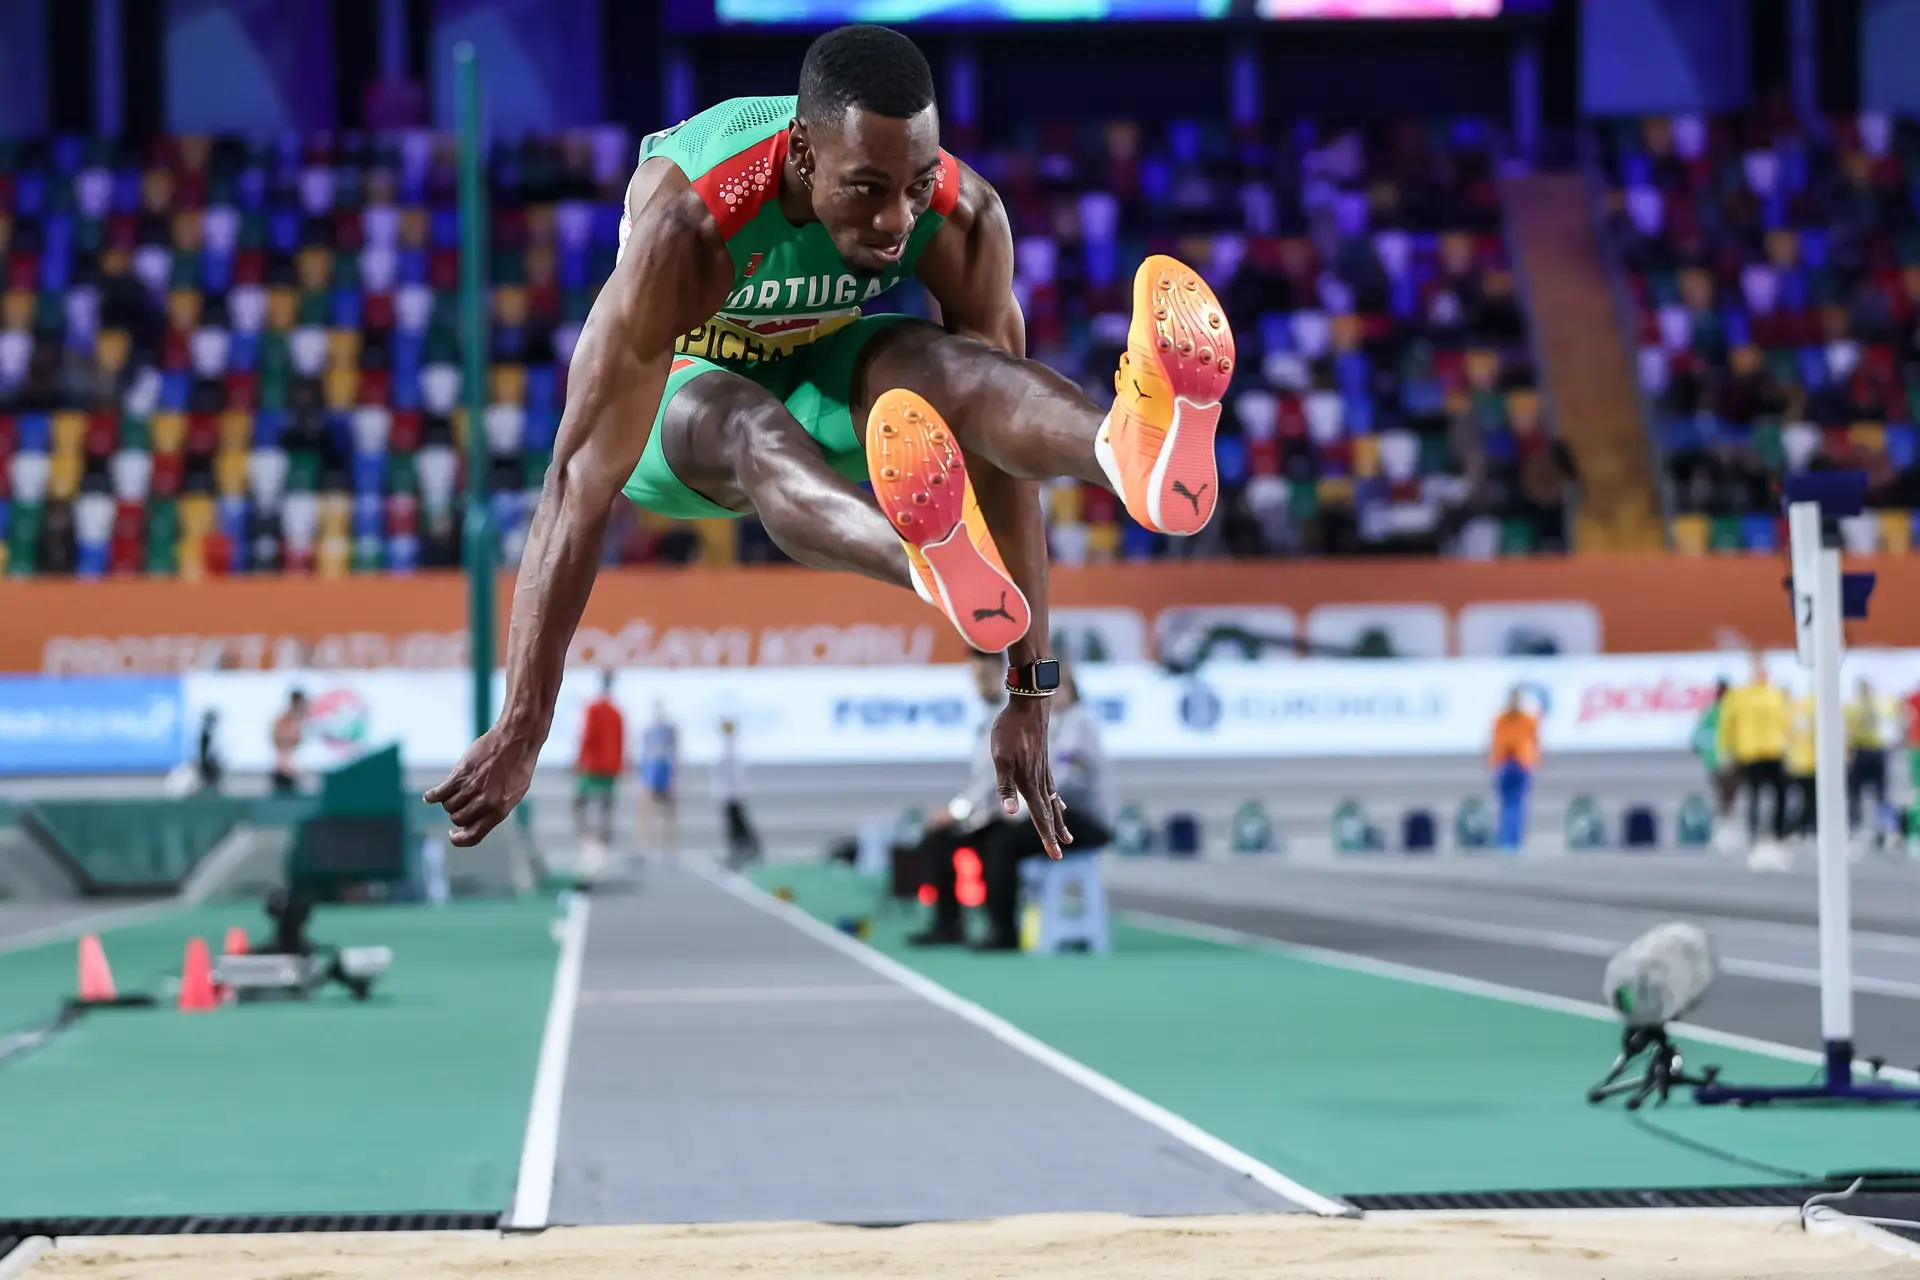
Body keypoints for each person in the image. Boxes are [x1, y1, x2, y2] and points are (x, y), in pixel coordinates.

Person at [426, 23, 1232, 853]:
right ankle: (917, 556)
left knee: (955, 368)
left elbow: (996, 457)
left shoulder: (962, 216)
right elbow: (575, 486)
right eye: (869, 188)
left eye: (917, 183)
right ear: (804, 159)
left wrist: (1031, 692)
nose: (896, 218)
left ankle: (1121, 447)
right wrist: (524, 723)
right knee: (749, 427)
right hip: (680, 406)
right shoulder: (691, 226)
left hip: (816, 364)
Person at [974, 665, 1114, 951]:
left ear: (1072, 690)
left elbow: (1064, 779)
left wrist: (1024, 812)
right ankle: (997, 924)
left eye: (1059, 688)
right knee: (992, 836)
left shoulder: (1080, 722)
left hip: (1083, 819)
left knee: (1003, 843)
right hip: (1055, 815)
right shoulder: (1046, 726)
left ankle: (1004, 932)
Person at [908, 648, 1020, 947]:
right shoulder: (988, 717)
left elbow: (995, 777)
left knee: (997, 846)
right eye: (975, 677)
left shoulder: (1016, 714)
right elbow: (981, 780)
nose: (979, 684)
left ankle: (1004, 930)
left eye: (984, 676)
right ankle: (948, 925)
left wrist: (958, 810)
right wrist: (959, 812)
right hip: (988, 814)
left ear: (1001, 672)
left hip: (1014, 815)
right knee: (937, 838)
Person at [1717, 655, 1789, 855]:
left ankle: (1777, 833)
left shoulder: (1774, 693)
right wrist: (1726, 749)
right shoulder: (1740, 695)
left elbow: (1785, 721)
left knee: (1780, 793)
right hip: (1751, 752)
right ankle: (1754, 833)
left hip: (1773, 751)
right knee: (1754, 794)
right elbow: (1727, 723)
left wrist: (1788, 746)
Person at [573, 672, 625, 853]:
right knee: (606, 804)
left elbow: (587, 736)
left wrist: (579, 760)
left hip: (592, 766)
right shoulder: (617, 713)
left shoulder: (593, 709)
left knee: (580, 802)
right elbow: (621, 742)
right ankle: (604, 839)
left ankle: (586, 836)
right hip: (610, 767)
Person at [1845, 676, 1893, 852]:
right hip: (1877, 751)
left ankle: (1855, 828)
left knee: (1855, 794)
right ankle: (1885, 828)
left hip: (1862, 751)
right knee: (1879, 794)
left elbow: (1849, 731)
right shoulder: (1880, 705)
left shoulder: (1853, 707)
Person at [1487, 687, 1539, 853]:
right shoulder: (1512, 719)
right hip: (1512, 763)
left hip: (1515, 764)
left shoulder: (1508, 719)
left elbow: (1533, 742)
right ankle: (1510, 840)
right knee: (1512, 804)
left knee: (1512, 804)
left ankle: (1510, 840)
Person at [1691, 679, 1737, 839]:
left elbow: (1697, 737)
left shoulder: (1716, 712)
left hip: (1721, 759)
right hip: (1725, 759)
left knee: (1725, 795)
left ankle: (1726, 827)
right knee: (1726, 795)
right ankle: (1726, 827)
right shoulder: (1718, 712)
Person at [715, 717, 763, 869]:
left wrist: (741, 793)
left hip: (734, 794)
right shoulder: (726, 747)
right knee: (733, 825)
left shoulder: (734, 747)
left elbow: (738, 773)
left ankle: (747, 850)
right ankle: (739, 851)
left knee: (738, 824)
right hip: (728, 794)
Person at [637, 701, 680, 859]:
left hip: (662, 769)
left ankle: (669, 847)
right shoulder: (650, 730)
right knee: (648, 810)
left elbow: (675, 752)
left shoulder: (668, 730)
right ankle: (645, 846)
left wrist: (674, 775)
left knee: (668, 811)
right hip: (653, 769)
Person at [1783, 682, 1816, 842]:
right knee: (1806, 800)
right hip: (1806, 762)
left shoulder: (1794, 710)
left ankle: (1801, 828)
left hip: (1801, 762)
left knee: (1803, 800)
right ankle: (1802, 828)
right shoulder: (1814, 709)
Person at [270, 690, 308, 796]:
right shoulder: (284, 720)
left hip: (298, 771)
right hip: (286, 770)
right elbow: (278, 739)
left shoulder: (303, 720)